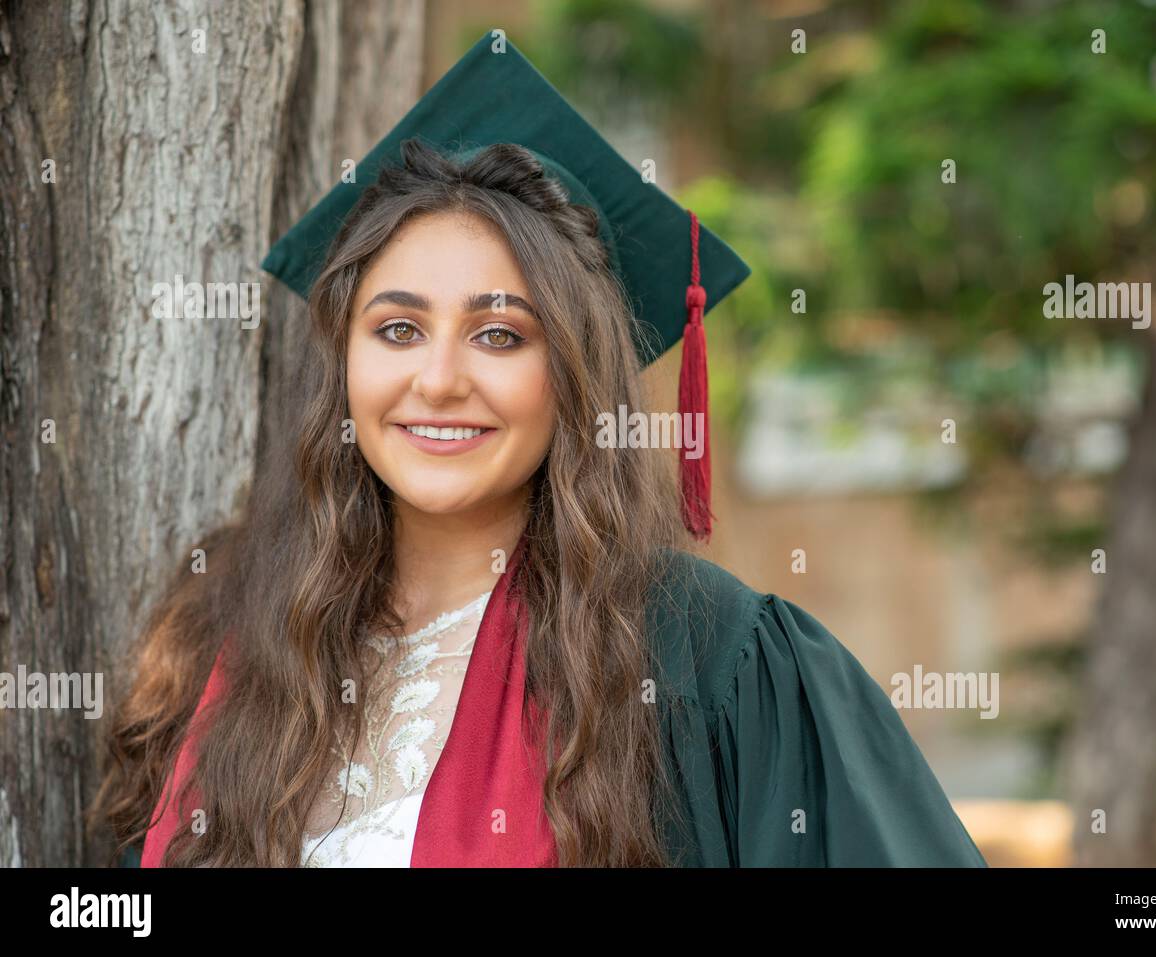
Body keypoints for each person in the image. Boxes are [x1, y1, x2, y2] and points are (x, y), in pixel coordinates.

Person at [92, 30, 987, 868]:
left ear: (574, 373)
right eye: (398, 328)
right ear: (342, 365)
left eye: (500, 335)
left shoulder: (697, 654)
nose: (438, 380)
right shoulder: (235, 632)